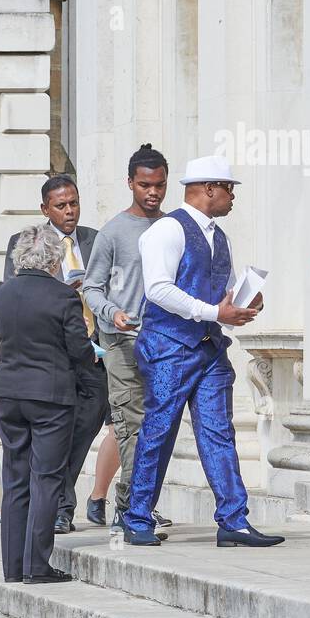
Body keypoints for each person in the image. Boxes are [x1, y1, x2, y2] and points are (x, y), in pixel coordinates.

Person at [122, 156, 285, 548]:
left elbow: (223, 290)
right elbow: (157, 289)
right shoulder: (168, 229)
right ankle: (136, 517)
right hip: (169, 347)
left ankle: (233, 520)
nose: (232, 197)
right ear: (209, 188)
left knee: (219, 433)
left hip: (209, 347)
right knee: (159, 432)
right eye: (229, 188)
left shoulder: (219, 237)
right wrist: (214, 311)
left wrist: (245, 303)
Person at [0, 225, 101, 583]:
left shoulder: (3, 292)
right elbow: (79, 348)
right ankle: (36, 566)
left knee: (16, 479)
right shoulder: (63, 296)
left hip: (9, 393)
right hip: (50, 395)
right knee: (47, 479)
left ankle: (12, 566)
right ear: (55, 260)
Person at [3, 175, 111, 533]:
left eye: (74, 203)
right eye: (61, 206)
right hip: (49, 356)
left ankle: (60, 501)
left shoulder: (97, 240)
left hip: (93, 353)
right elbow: (15, 292)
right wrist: (61, 291)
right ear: (45, 209)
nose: (69, 211)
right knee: (53, 435)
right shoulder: (26, 243)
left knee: (85, 427)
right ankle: (60, 508)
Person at [82, 142, 172, 528]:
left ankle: (136, 503)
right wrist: (112, 313)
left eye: (159, 185)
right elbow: (91, 287)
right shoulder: (113, 233)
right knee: (131, 423)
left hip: (166, 342)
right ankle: (131, 506)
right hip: (121, 342)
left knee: (159, 425)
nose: (152, 192)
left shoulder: (173, 228)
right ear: (130, 184)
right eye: (144, 185)